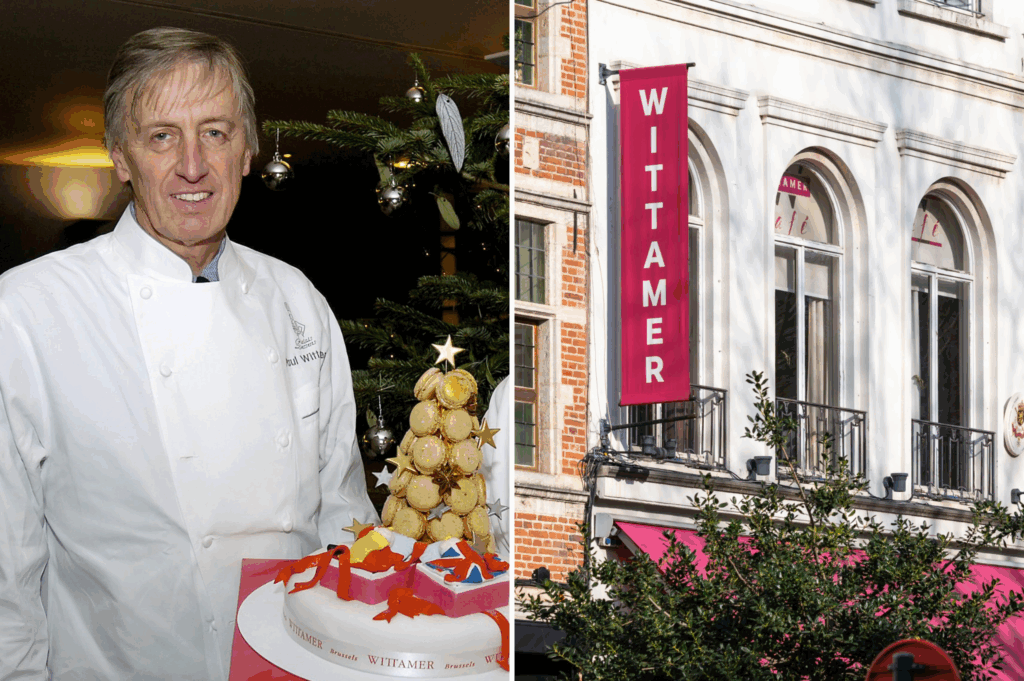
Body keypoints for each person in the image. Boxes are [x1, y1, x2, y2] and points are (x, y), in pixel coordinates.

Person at [0, 27, 377, 680]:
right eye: (161, 136)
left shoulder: (298, 301)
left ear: (249, 150)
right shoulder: (27, 312)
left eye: (215, 132)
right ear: (121, 157)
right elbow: (8, 575)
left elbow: (343, 521)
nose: (192, 166)